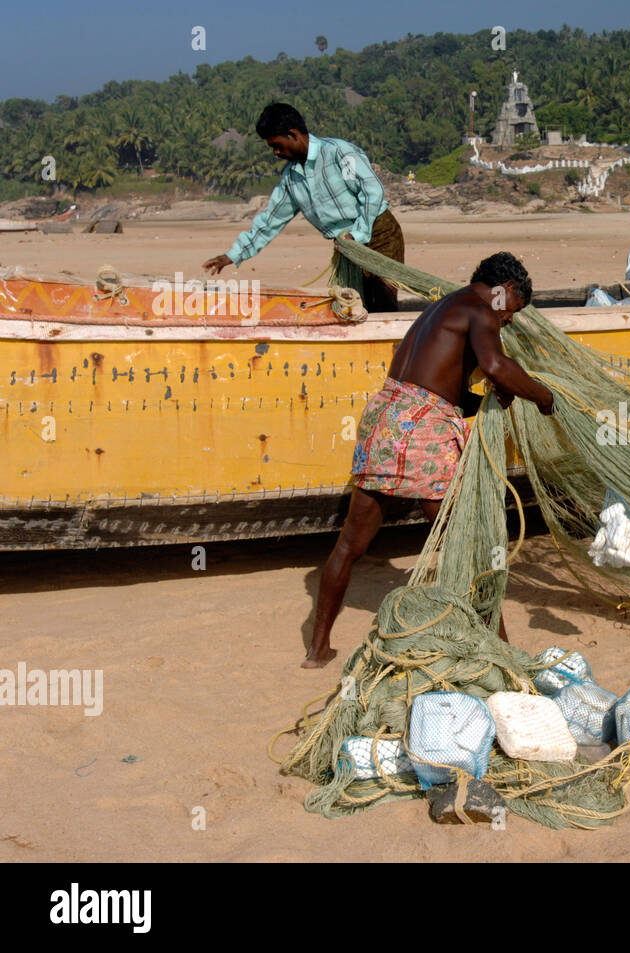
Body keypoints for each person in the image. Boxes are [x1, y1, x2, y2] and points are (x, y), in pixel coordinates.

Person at [303, 252, 554, 667]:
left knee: (349, 543)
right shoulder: (483, 309)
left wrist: (487, 397)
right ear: (504, 291)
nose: (509, 320)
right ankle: (502, 648)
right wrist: (543, 396)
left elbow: (437, 387)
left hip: (384, 418)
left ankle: (317, 649)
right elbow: (496, 364)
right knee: (469, 544)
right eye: (514, 311)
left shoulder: (442, 308)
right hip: (422, 433)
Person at [203, 103, 405, 313]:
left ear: (293, 134)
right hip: (345, 246)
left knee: (383, 300)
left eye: (278, 145)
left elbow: (371, 190)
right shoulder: (291, 179)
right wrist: (233, 256)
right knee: (353, 305)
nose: (276, 152)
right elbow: (269, 222)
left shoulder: (338, 152)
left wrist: (358, 233)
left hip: (378, 232)